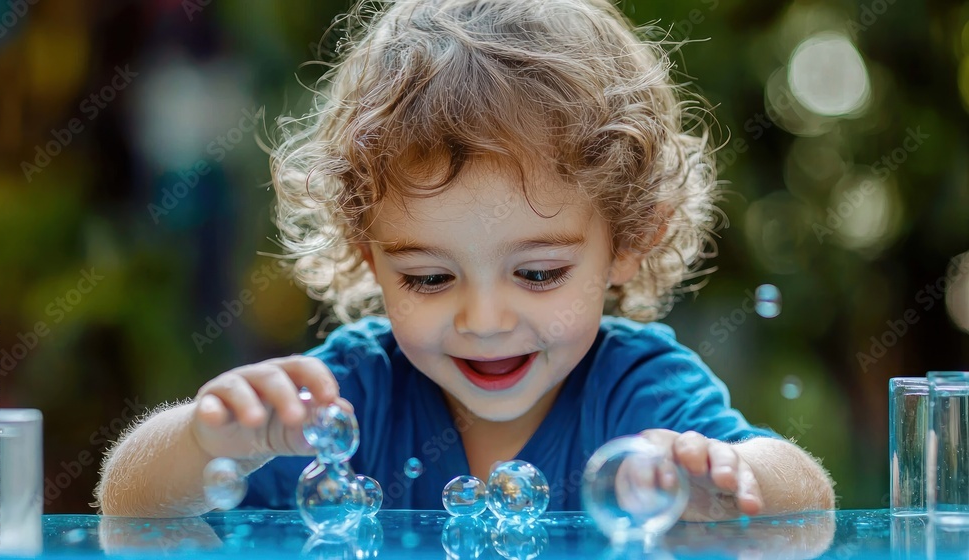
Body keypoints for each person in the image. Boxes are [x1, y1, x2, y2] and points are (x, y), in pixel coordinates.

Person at [95, 0, 834, 519]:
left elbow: (808, 496)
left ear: (631, 240)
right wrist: (205, 439)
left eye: (539, 273)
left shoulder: (636, 393)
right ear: (368, 256)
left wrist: (729, 483)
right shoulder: (349, 399)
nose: (483, 320)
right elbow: (127, 505)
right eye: (429, 277)